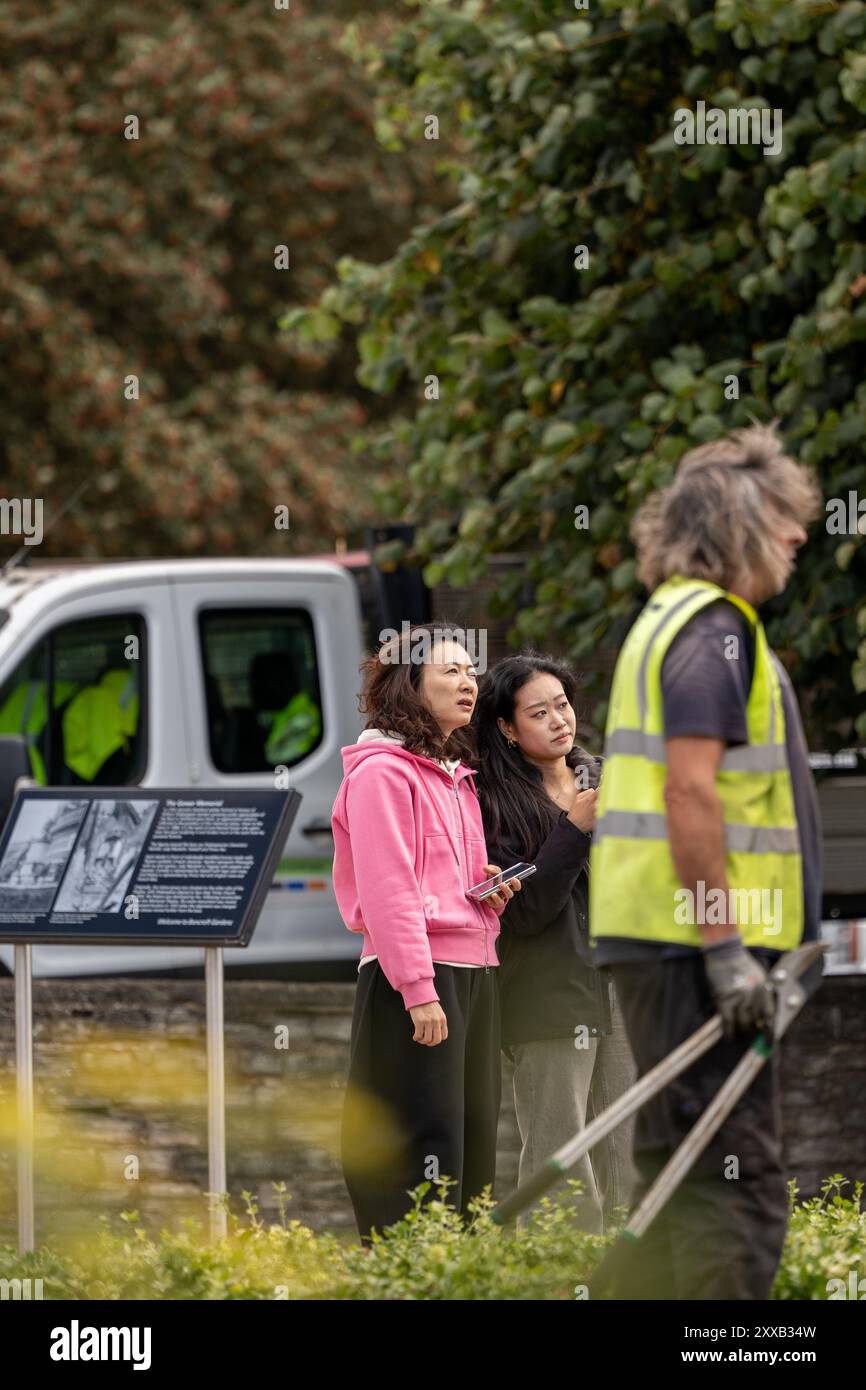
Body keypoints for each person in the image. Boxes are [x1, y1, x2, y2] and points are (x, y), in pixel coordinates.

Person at [590, 422, 824, 1299]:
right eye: (784, 517)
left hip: (662, 944)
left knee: (684, 1181)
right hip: (693, 953)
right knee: (738, 1192)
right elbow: (689, 791)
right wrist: (726, 947)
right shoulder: (714, 631)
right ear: (736, 524)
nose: (801, 535)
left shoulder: (673, 624)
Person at [331, 621, 522, 1244]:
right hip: (418, 982)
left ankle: (458, 1276)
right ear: (411, 686)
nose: (469, 683)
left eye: (471, 672)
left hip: (473, 974)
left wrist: (485, 889)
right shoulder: (383, 773)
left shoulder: (451, 772)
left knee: (467, 1141)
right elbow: (389, 891)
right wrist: (418, 988)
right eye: (451, 672)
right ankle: (407, 1276)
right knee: (420, 1140)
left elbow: (434, 882)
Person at [475, 654, 637, 1234]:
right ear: (508, 728)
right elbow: (527, 912)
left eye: (562, 705)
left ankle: (631, 1269)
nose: (558, 721)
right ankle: (555, 1273)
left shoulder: (602, 776)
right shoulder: (491, 801)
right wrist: (571, 829)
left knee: (627, 1139)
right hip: (547, 993)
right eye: (538, 712)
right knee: (559, 1144)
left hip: (619, 981)